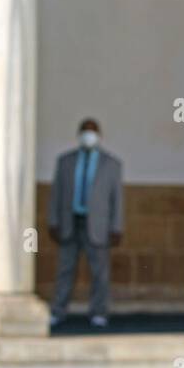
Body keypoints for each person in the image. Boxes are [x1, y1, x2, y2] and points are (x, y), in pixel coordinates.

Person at [48, 118, 123, 329]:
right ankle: (58, 310)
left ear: (99, 135)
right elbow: (56, 194)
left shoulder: (112, 164)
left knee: (100, 272)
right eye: (85, 131)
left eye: (92, 131)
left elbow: (117, 198)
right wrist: (53, 220)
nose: (88, 135)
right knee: (65, 270)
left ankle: (99, 312)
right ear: (79, 134)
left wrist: (116, 227)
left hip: (98, 226)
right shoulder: (65, 161)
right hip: (70, 222)